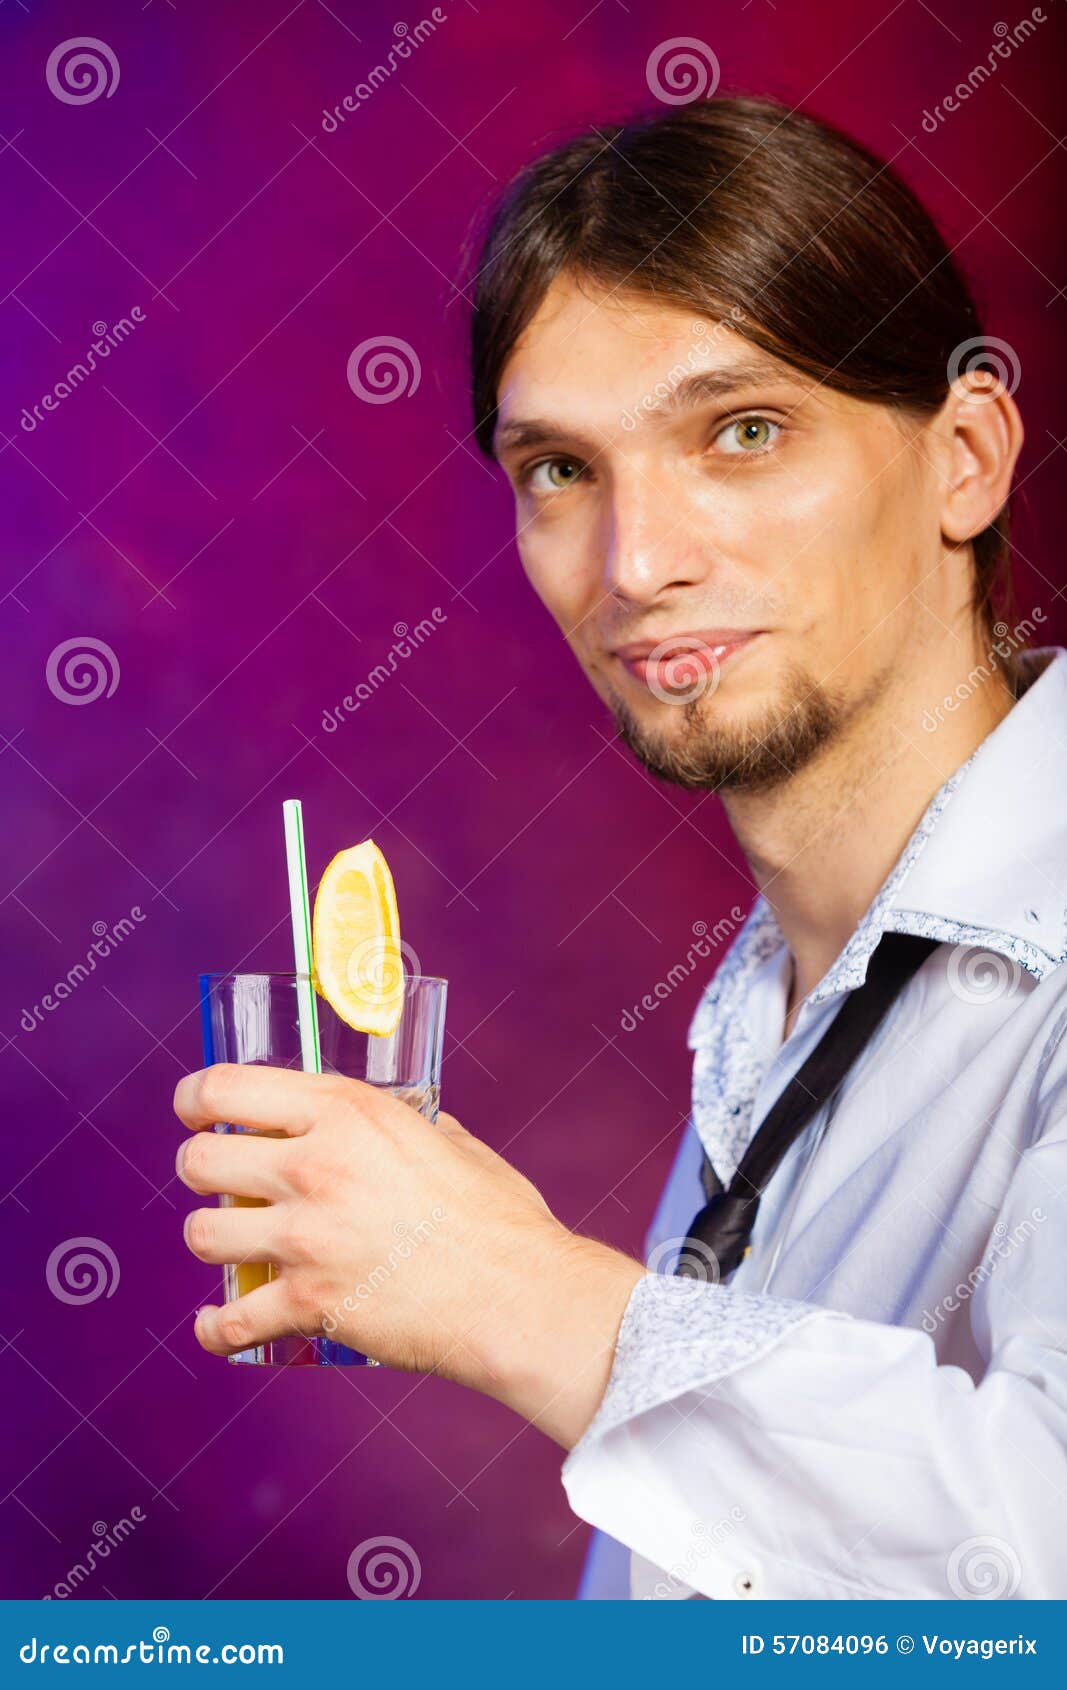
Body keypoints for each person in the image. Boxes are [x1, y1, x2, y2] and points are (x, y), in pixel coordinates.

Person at [175, 96, 1066, 1599]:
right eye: (560, 472)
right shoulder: (773, 996)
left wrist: (507, 1286)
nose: (637, 563)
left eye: (743, 431)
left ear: (966, 457)